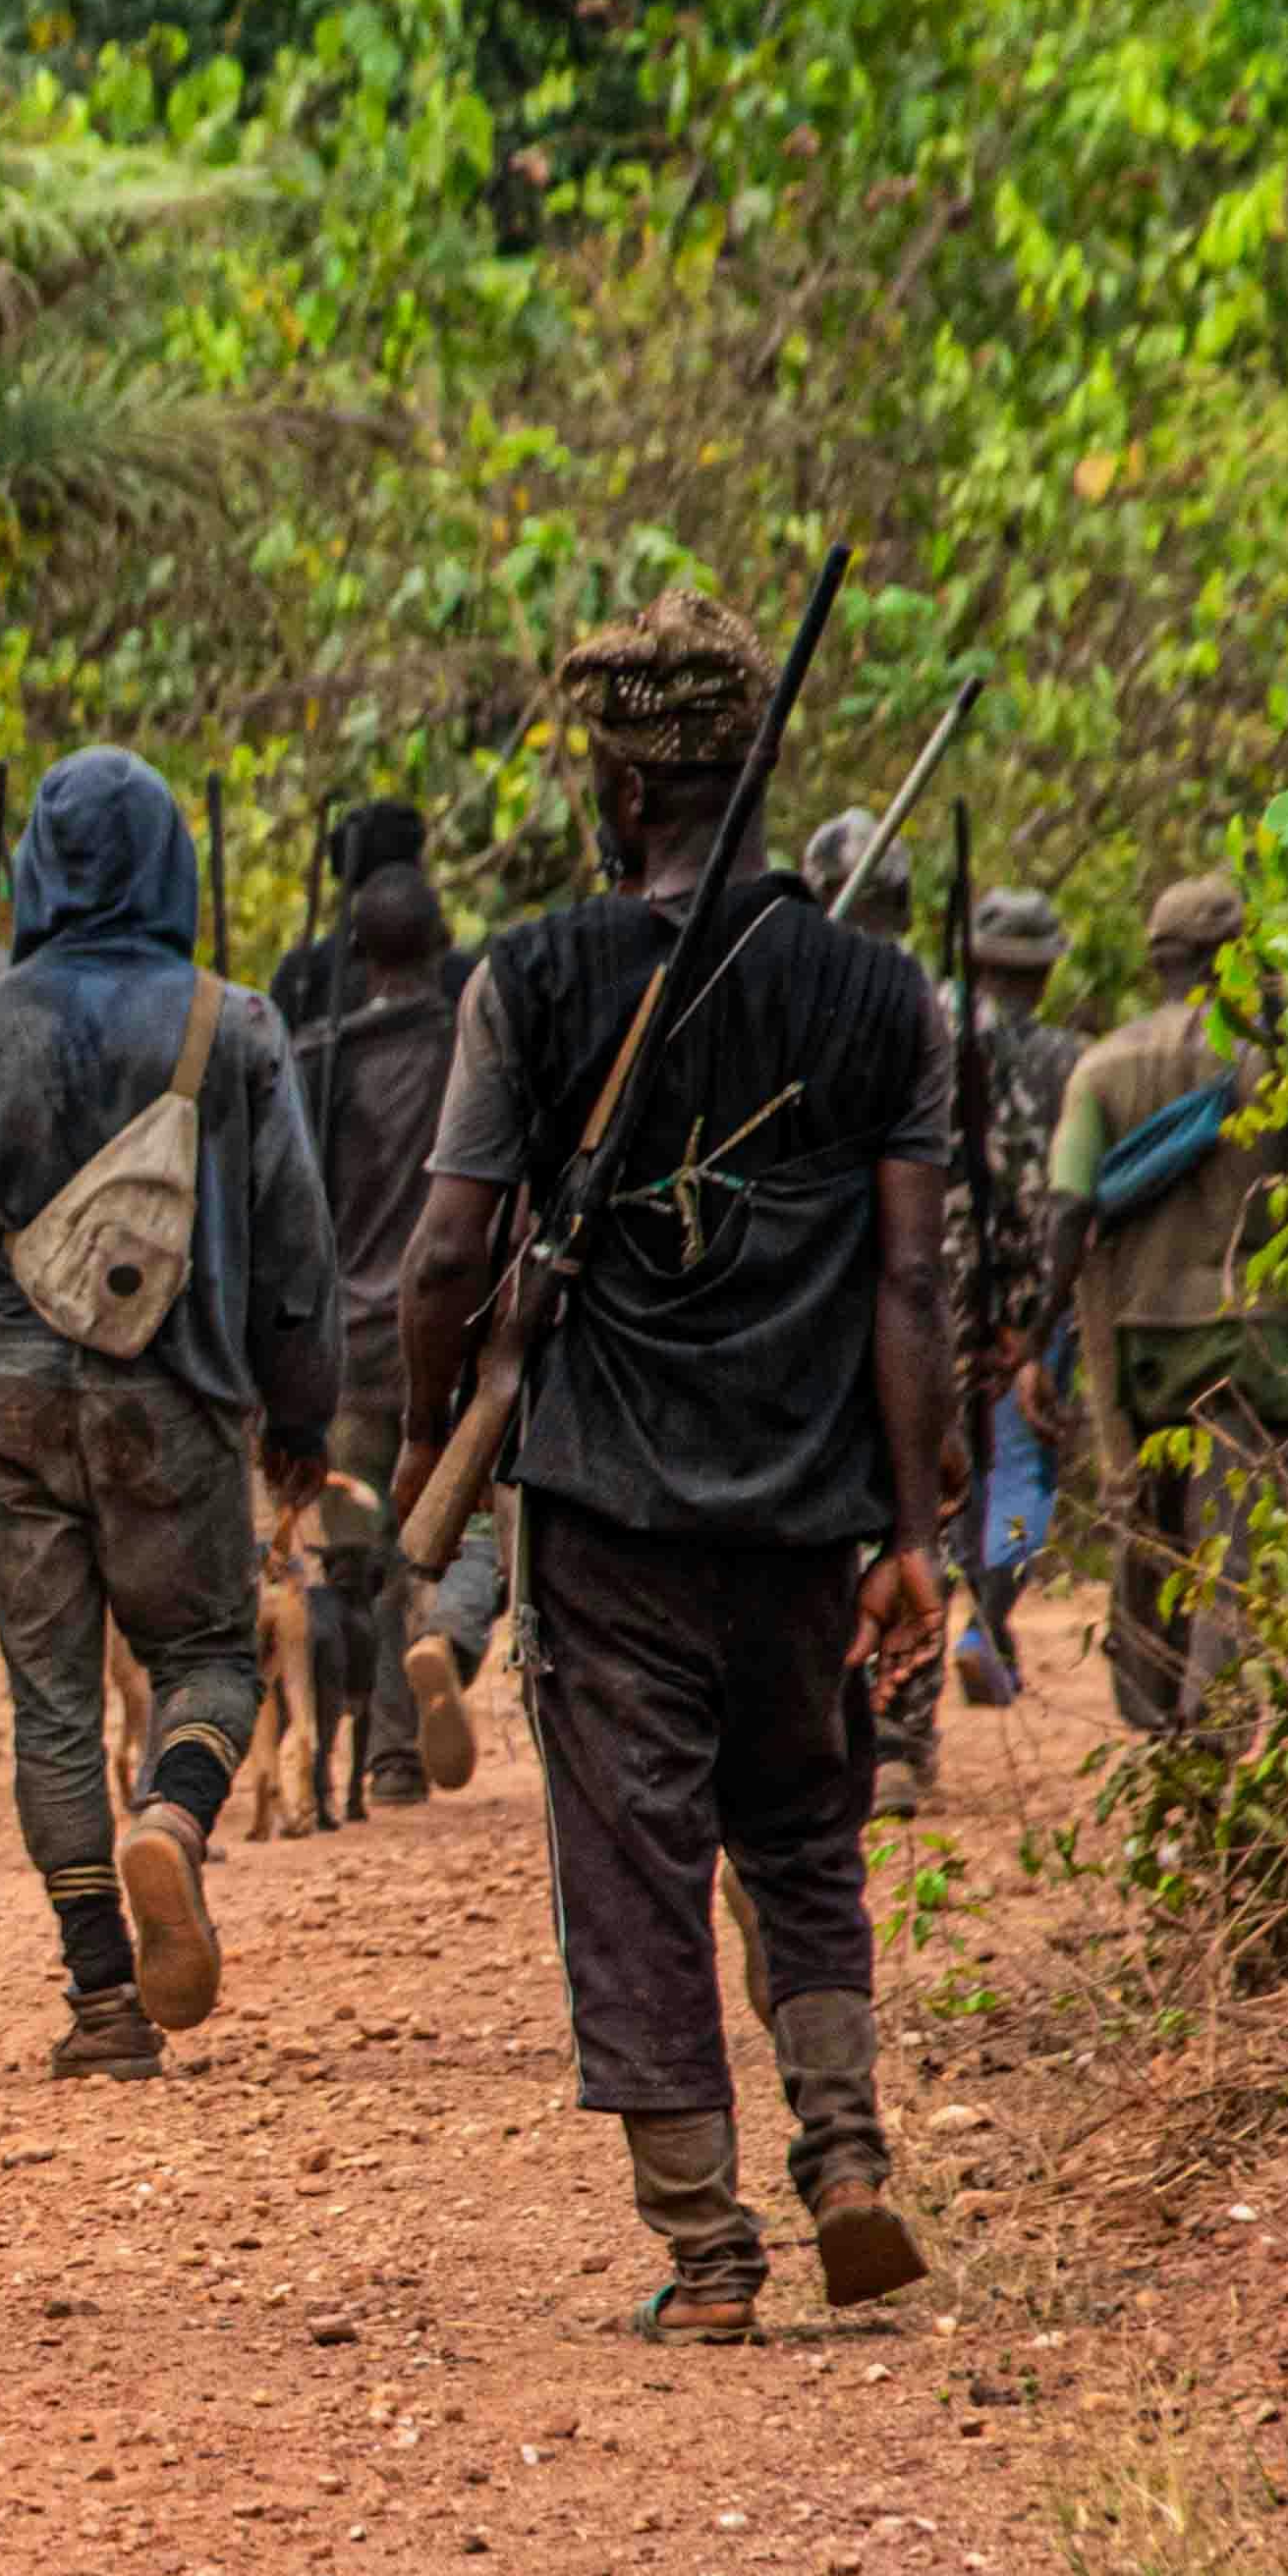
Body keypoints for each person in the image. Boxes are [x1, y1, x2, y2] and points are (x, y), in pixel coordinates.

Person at [391, 588, 955, 2349]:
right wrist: (913, 1528)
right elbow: (915, 1279)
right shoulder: (883, 996)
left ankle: (709, 2254)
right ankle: (848, 2154)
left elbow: (443, 1250)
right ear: (756, 780)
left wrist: (435, 1436)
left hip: (613, 1517)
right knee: (803, 1833)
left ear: (617, 788)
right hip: (805, 1509)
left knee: (633, 1858)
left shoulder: (537, 977)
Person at [0, 746, 334, 2081]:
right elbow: (297, 1257)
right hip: (172, 1400)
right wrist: (302, 1419)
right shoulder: (231, 1025)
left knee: (54, 1701)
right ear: (174, 863)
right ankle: (173, 1824)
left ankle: (102, 2001)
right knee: (210, 1662)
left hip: (7, 1405)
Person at [1044, 872, 1288, 1737]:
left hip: (1136, 1346)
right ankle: (1218, 1721)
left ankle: (1157, 1715)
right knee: (1236, 1536)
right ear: (1238, 959)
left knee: (1149, 1531)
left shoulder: (1101, 1066)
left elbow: (1070, 1207)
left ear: (1156, 960)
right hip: (1251, 1338)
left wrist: (1038, 1336)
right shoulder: (1280, 1065)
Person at [280, 805, 491, 1805]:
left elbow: (296, 1200)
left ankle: (376, 1755)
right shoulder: (474, 1045)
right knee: (461, 1524)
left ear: (355, 951)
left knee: (350, 1558)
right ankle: (441, 1649)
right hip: (451, 1323)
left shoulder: (320, 1059)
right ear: (445, 947)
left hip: (351, 1333)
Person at [803, 805, 958, 1823]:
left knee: (865, 1511)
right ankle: (887, 1732)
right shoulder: (924, 1002)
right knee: (915, 1506)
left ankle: (865, 1729)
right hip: (900, 1289)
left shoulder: (803, 995)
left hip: (835, 1296)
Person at [942, 885, 1089, 1704]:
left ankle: (966, 1627)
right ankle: (988, 1618)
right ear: (1044, 973)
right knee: (1025, 1476)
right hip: (1036, 1304)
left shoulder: (938, 1044)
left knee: (946, 1466)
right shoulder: (1074, 1062)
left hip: (944, 1292)